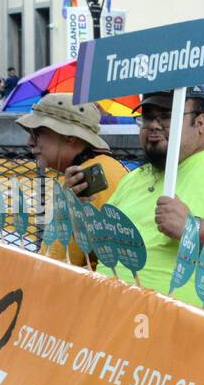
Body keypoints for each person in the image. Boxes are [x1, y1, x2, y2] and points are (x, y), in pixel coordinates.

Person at [98, 87, 204, 316]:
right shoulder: (132, 179)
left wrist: (192, 228)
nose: (154, 125)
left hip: (181, 326)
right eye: (147, 117)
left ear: (200, 123)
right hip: (110, 314)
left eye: (167, 116)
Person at [14, 93, 129, 265]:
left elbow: (61, 265)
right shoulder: (90, 170)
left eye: (38, 133)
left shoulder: (87, 178)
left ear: (70, 137)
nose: (29, 142)